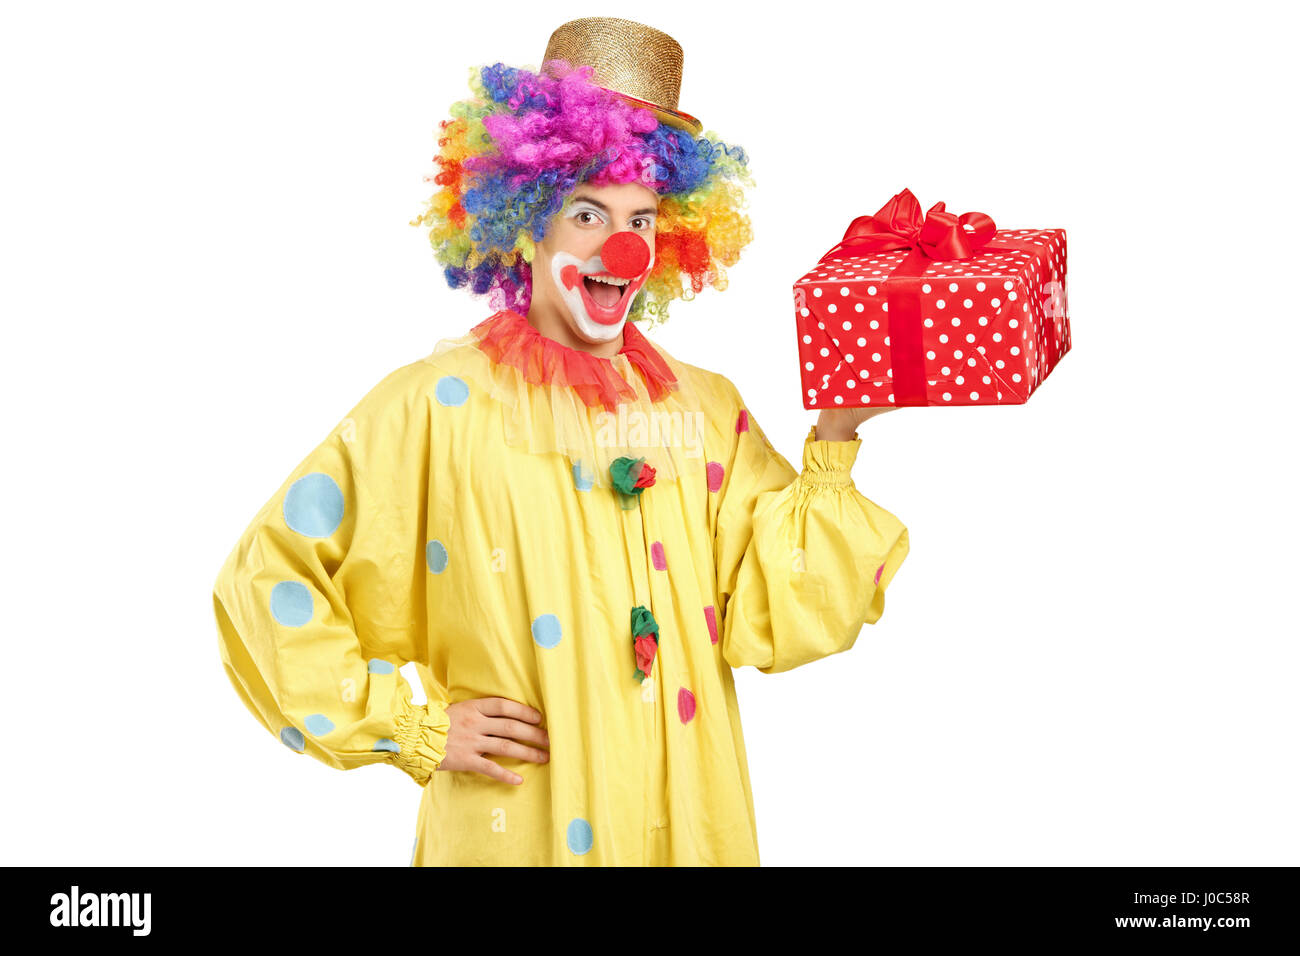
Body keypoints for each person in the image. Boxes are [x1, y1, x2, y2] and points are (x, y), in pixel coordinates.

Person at [212, 16, 909, 866]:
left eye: (643, 219)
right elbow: (268, 574)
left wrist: (835, 438)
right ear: (526, 221)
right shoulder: (437, 404)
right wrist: (407, 727)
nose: (622, 245)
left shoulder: (705, 405)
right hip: (519, 826)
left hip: (682, 821)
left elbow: (776, 606)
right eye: (587, 213)